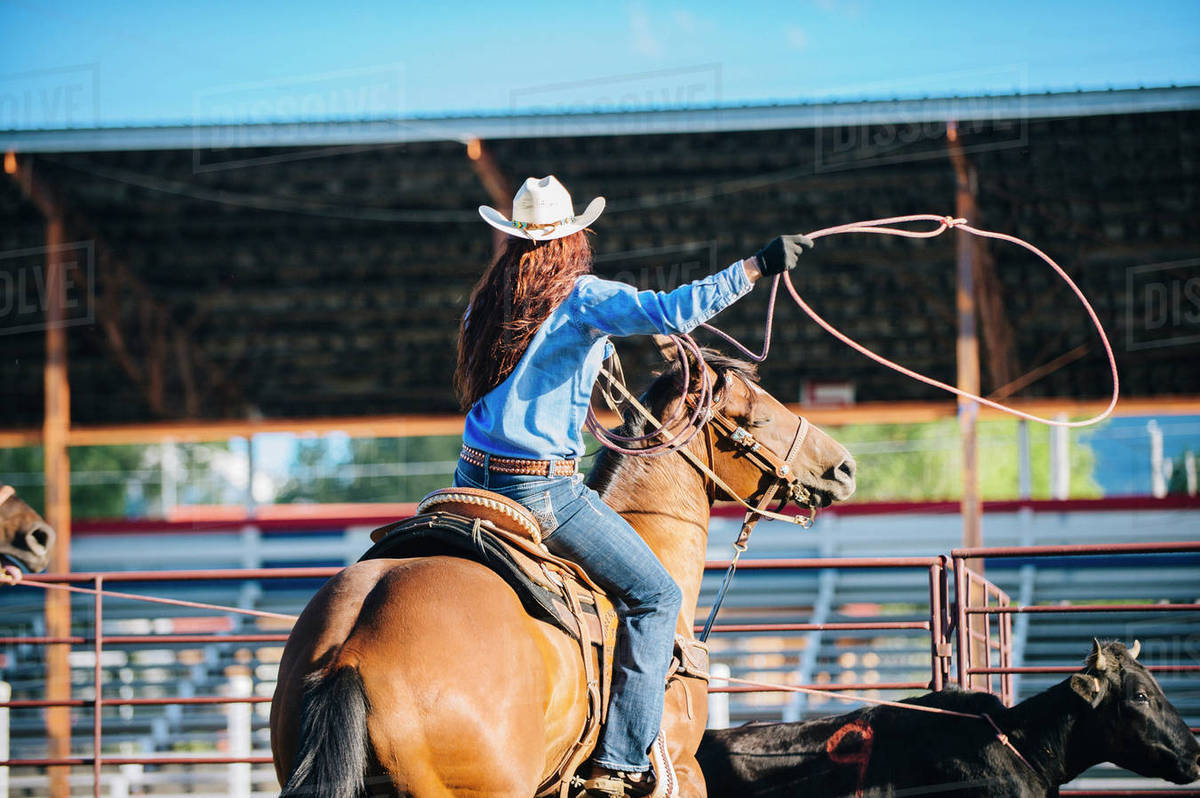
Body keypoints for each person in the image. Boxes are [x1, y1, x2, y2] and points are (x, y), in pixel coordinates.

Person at [453, 176, 811, 797]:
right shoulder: (580, 298)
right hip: (540, 493)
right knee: (655, 597)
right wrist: (754, 266)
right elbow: (670, 312)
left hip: (469, 479)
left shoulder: (483, 304)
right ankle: (619, 763)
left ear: (513, 238)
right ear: (572, 239)